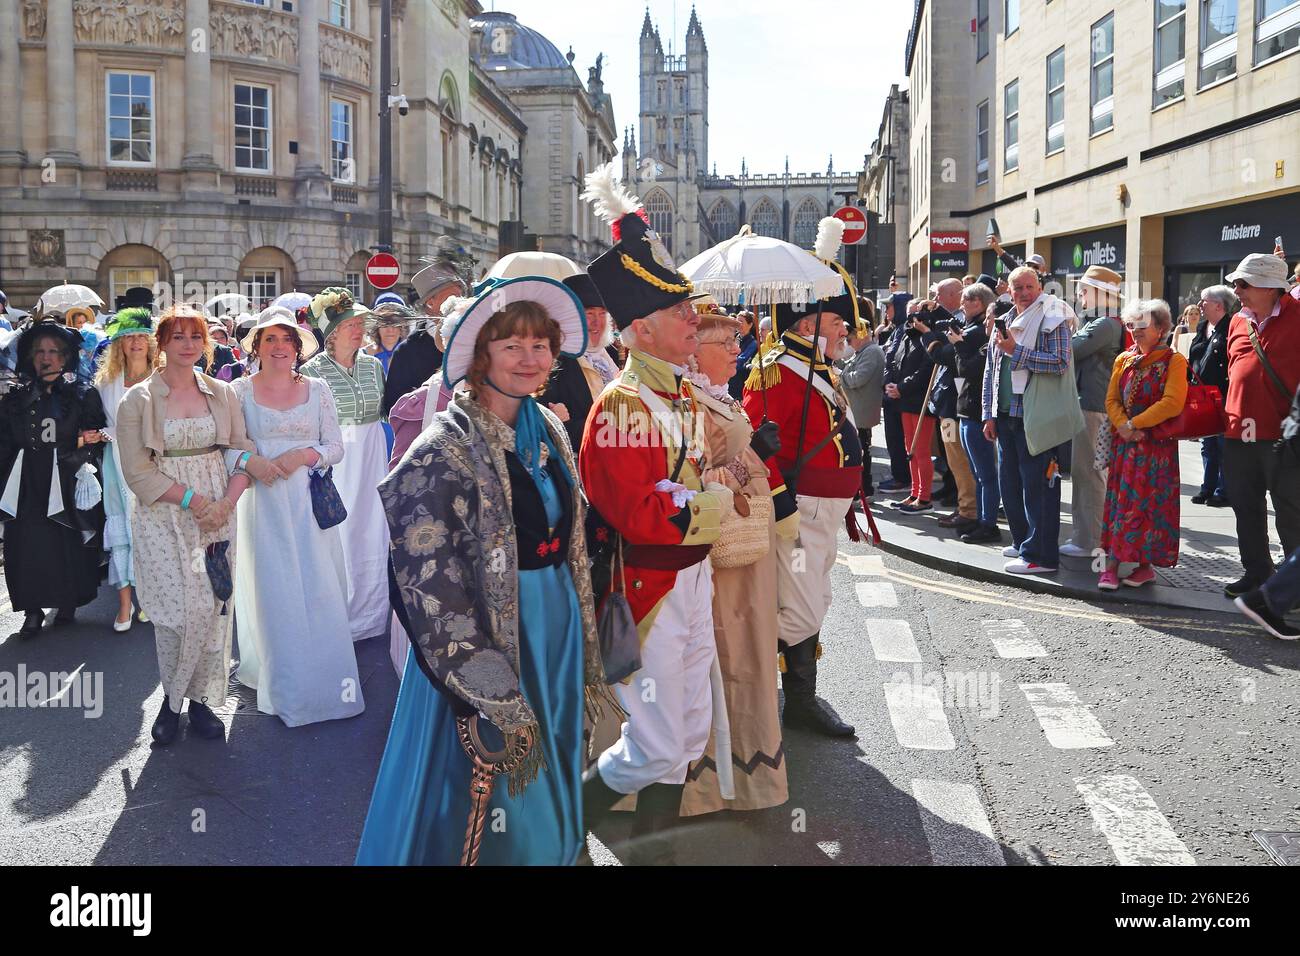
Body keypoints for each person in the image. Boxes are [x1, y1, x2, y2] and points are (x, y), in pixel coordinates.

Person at [355, 274, 617, 866]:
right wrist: (477, 682)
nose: (531, 359)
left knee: (553, 759)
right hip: (488, 641)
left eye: (541, 345)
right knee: (490, 785)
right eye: (512, 346)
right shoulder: (442, 448)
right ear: (480, 357)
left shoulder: (546, 428)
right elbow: (422, 580)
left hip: (554, 630)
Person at [577, 162, 729, 855]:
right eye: (678, 311)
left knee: (689, 731)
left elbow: (685, 479)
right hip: (650, 586)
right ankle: (560, 826)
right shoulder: (622, 404)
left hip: (693, 576)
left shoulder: (680, 395)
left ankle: (652, 854)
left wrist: (707, 497)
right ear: (638, 330)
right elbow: (640, 512)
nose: (692, 318)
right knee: (658, 739)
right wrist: (710, 506)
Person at [115, 306, 273, 746]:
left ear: (205, 343)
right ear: (161, 344)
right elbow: (136, 471)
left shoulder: (222, 392)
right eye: (178, 337)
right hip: (163, 515)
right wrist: (196, 500)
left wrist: (227, 502)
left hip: (218, 514)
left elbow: (241, 451)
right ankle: (171, 700)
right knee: (173, 614)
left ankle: (202, 701)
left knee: (213, 606)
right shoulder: (139, 399)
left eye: (195, 337)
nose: (188, 344)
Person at [742, 217, 864, 739]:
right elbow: (756, 451)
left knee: (812, 601)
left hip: (824, 512)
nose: (847, 333)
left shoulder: (818, 368)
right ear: (810, 322)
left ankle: (795, 697)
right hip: (799, 513)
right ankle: (783, 697)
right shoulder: (774, 372)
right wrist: (782, 504)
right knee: (799, 606)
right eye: (838, 324)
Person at [229, 309, 363, 727]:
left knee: (319, 587)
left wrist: (301, 455)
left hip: (309, 505)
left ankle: (326, 679)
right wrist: (255, 463)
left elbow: (335, 447)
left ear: (297, 347)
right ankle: (286, 687)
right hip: (263, 505)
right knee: (276, 590)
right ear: (256, 346)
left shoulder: (319, 388)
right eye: (270, 339)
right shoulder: (237, 391)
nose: (280, 346)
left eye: (287, 339)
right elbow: (227, 449)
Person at [680, 312, 788, 815]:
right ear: (694, 350)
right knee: (727, 646)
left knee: (750, 644)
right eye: (722, 342)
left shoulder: (717, 395)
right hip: (725, 545)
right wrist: (751, 453)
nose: (733, 351)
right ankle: (717, 780)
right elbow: (698, 470)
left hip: (748, 542)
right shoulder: (688, 400)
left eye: (734, 341)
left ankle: (748, 768)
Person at [0, 322, 108, 638]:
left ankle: (67, 603)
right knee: (25, 545)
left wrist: (82, 444)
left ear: (65, 358)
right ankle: (32, 610)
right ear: (31, 357)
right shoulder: (14, 399)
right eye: (40, 352)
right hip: (25, 481)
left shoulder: (82, 395)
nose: (46, 358)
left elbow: (96, 436)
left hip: (66, 477)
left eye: (54, 352)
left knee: (67, 542)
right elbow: (5, 443)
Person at [300, 288, 389, 643]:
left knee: (372, 530)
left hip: (372, 455)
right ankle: (338, 619)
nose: (358, 327)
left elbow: (386, 414)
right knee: (339, 533)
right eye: (350, 323)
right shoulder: (311, 372)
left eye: (359, 322)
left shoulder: (373, 365)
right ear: (332, 332)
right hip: (337, 460)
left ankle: (373, 615)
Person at [981, 266, 1078, 575]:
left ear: (1039, 287)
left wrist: (1017, 351)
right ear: (1009, 291)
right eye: (1017, 288)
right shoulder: (1006, 320)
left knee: (1038, 487)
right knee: (1009, 484)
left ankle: (1042, 556)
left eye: (1028, 287)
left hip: (1036, 416)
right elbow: (991, 372)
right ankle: (1024, 541)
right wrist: (988, 413)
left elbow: (1061, 362)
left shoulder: (1054, 315)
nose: (1023, 293)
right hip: (1006, 415)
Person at [1220, 253, 1300, 599]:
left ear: (1271, 288)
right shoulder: (1238, 321)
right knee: (1245, 508)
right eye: (1236, 283)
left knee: (1291, 513)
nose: (1236, 290)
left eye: (1244, 284)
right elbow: (1231, 367)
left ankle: (1291, 586)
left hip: (1283, 437)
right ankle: (1256, 572)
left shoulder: (1298, 318)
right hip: (1238, 433)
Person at [1097, 300, 1188, 589]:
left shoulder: (1174, 361)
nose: (1134, 331)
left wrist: (1135, 425)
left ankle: (1144, 567)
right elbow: (1111, 399)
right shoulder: (1123, 359)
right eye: (1130, 325)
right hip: (1126, 445)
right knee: (1121, 504)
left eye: (1141, 326)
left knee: (1150, 507)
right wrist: (1124, 425)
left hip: (1156, 448)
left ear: (1160, 329)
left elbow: (1172, 403)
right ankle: (1111, 566)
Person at [94, 307, 159, 632]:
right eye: (128, 337)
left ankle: (148, 600)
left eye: (140, 337)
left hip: (154, 461)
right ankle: (124, 605)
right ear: (119, 344)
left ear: (150, 343)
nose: (135, 343)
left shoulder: (162, 376)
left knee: (151, 531)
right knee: (122, 532)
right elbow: (102, 423)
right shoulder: (107, 382)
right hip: (117, 463)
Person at [1059, 265, 1125, 560]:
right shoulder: (1101, 322)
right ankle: (1085, 537)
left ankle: (1090, 541)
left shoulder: (1104, 325)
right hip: (1092, 404)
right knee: (1085, 472)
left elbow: (1069, 350)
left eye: (1084, 290)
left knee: (1090, 474)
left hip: (1094, 407)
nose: (1078, 295)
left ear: (1100, 293)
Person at [380, 237, 476, 417]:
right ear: (431, 302)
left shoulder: (471, 341)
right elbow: (393, 407)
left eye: (461, 295)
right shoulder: (408, 351)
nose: (459, 302)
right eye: (453, 296)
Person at [539, 272, 621, 452]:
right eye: (589, 314)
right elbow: (554, 425)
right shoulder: (556, 359)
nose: (596, 323)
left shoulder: (613, 354)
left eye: (602, 314)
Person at [923, 279, 980, 531]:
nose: (961, 305)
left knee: (960, 462)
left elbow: (941, 354)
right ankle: (964, 505)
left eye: (965, 300)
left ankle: (969, 510)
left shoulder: (974, 331)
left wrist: (928, 335)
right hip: (948, 407)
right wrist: (936, 315)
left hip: (955, 407)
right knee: (954, 460)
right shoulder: (965, 325)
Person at [884, 297, 939, 513]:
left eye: (916, 314)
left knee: (921, 449)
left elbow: (926, 370)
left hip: (919, 401)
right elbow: (894, 360)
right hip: (904, 400)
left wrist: (902, 387)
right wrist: (892, 385)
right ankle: (915, 492)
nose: (912, 319)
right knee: (911, 449)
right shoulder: (907, 336)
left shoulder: (929, 338)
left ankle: (924, 498)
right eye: (909, 314)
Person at [956, 300, 1002, 544]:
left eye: (990, 318)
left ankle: (989, 523)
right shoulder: (986, 344)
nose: (985, 322)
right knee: (977, 474)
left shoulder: (988, 345)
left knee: (986, 475)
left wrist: (959, 346)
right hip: (967, 413)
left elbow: (966, 368)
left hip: (977, 417)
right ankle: (981, 519)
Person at [1187, 284, 1234, 507]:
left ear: (1218, 305)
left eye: (1204, 301)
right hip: (1202, 395)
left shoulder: (1231, 327)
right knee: (1208, 445)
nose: (1200, 305)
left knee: (1223, 445)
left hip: (1223, 394)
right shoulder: (1203, 326)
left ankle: (1223, 490)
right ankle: (1207, 487)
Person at [839, 307, 885, 499]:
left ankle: (864, 489)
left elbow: (858, 378)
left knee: (862, 453)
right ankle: (861, 489)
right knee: (860, 451)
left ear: (861, 334)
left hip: (862, 412)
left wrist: (839, 377)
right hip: (858, 410)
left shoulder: (871, 352)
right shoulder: (863, 351)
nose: (848, 343)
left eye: (850, 339)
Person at [877, 291, 915, 492]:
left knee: (902, 441)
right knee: (893, 439)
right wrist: (886, 383)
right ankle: (898, 474)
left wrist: (897, 387)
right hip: (890, 394)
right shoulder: (895, 330)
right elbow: (887, 358)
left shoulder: (908, 330)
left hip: (902, 396)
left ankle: (904, 478)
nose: (886, 310)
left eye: (890, 306)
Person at [728, 310, 758, 398]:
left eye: (741, 322)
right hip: (728, 381)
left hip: (740, 383)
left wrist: (726, 361)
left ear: (750, 325)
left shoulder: (753, 343)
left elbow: (741, 361)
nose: (738, 324)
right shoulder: (732, 337)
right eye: (737, 321)